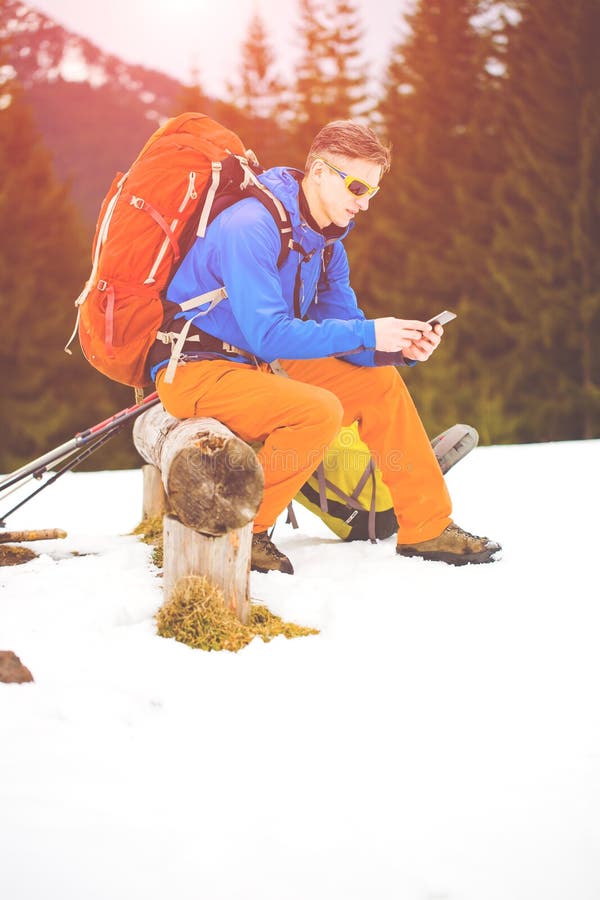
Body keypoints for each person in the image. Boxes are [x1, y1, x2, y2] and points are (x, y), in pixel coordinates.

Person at [150, 119, 501, 573]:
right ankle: (246, 528)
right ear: (317, 172)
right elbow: (268, 333)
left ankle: (427, 527)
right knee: (316, 410)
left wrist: (395, 348)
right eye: (357, 187)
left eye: (373, 192)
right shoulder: (250, 225)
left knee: (379, 383)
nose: (365, 203)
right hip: (197, 366)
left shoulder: (328, 244)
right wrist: (369, 332)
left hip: (254, 364)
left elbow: (345, 330)